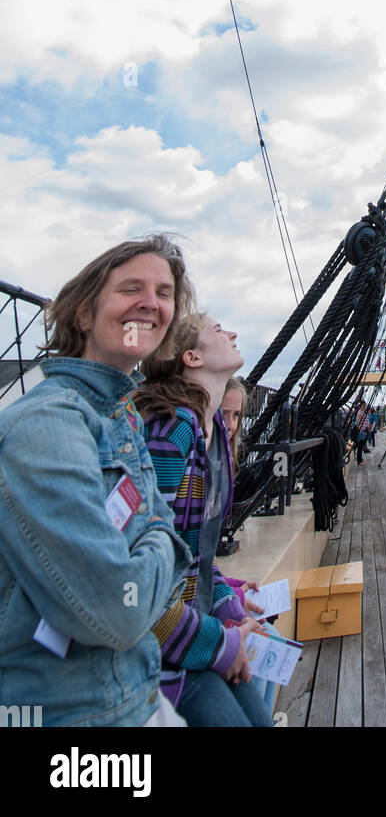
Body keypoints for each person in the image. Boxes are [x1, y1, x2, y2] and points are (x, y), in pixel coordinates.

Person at [0, 235, 195, 726]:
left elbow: (145, 567)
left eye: (164, 293)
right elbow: (117, 608)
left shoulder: (120, 415)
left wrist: (149, 541)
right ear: (84, 314)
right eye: (132, 288)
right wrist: (166, 545)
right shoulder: (49, 424)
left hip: (137, 694)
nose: (151, 303)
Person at [134, 313, 273, 728]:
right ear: (192, 357)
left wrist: (227, 602)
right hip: (165, 652)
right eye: (218, 330)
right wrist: (220, 644)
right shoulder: (171, 430)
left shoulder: (207, 430)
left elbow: (195, 553)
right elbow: (150, 571)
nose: (231, 332)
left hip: (196, 627)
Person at [351, 400, 370, 465]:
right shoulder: (360, 412)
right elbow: (359, 422)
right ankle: (359, 461)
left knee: (361, 445)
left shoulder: (364, 412)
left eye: (365, 405)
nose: (365, 406)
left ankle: (360, 459)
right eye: (364, 405)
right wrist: (361, 430)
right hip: (361, 431)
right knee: (360, 446)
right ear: (361, 405)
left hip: (364, 431)